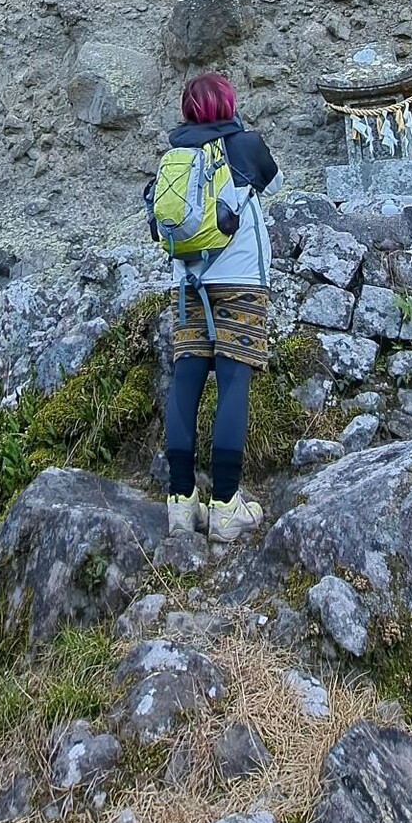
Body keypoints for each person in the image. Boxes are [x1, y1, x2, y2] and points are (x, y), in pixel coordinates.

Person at [154, 72, 283, 543]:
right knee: (233, 382)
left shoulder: (175, 156)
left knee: (186, 378)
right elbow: (274, 179)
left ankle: (180, 503)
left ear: (187, 110)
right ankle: (227, 504)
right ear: (228, 104)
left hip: (187, 283)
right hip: (241, 280)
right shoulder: (244, 145)